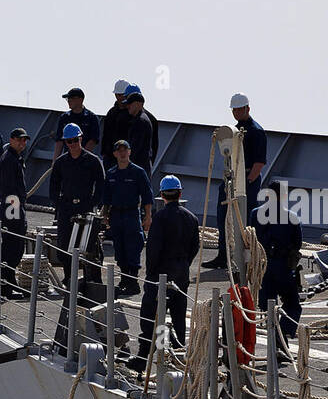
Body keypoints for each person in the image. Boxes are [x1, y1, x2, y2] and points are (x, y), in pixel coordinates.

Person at [130, 176, 200, 372]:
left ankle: (145, 358)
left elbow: (153, 250)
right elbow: (194, 247)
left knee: (151, 318)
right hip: (180, 276)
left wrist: (151, 274)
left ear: (162, 195)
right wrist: (184, 264)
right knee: (178, 319)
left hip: (159, 276)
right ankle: (176, 360)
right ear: (180, 193)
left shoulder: (160, 218)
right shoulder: (191, 218)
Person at [205, 94, 267, 271]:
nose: (237, 112)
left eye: (240, 109)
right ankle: (223, 255)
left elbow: (259, 163)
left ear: (248, 108)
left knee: (246, 219)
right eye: (234, 110)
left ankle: (247, 256)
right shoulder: (234, 130)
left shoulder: (256, 132)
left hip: (247, 180)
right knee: (223, 216)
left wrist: (246, 183)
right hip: (231, 178)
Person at [49, 124, 105, 283]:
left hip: (86, 206)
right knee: (64, 245)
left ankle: (91, 279)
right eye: (68, 142)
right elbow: (54, 186)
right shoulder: (61, 163)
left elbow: (100, 185)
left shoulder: (92, 161)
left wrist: (93, 204)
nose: (72, 144)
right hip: (66, 208)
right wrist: (58, 205)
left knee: (90, 246)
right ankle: (69, 276)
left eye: (74, 140)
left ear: (80, 139)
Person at [251, 199, 303, 363]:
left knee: (269, 309)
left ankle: (278, 347)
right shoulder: (291, 216)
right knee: (293, 304)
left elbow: (251, 237)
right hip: (283, 267)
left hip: (263, 267)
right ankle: (285, 334)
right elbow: (298, 243)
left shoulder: (255, 214)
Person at [102, 140, 154, 295]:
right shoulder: (111, 173)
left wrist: (148, 216)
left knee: (133, 246)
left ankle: (133, 281)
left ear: (129, 152)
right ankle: (124, 279)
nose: (122, 153)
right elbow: (106, 198)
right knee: (119, 247)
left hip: (131, 213)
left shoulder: (138, 172)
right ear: (115, 154)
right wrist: (105, 216)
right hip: (116, 215)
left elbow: (147, 196)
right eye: (119, 150)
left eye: (125, 150)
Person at [0, 128, 30, 296]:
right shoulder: (9, 160)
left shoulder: (15, 158)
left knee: (16, 247)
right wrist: (15, 215)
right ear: (11, 140)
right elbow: (10, 189)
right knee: (12, 245)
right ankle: (6, 286)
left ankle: (10, 282)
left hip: (16, 206)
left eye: (24, 140)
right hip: (12, 206)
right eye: (19, 140)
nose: (22, 143)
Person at [53, 88, 100, 160]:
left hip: (85, 160)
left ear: (80, 100)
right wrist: (55, 161)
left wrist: (81, 157)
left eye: (71, 98)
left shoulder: (92, 118)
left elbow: (93, 140)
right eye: (67, 99)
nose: (68, 101)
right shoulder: (64, 118)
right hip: (67, 159)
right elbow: (59, 141)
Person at [122, 85, 154, 175]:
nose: (127, 106)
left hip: (138, 167)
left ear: (138, 104)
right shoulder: (140, 119)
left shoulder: (140, 122)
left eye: (129, 103)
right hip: (141, 166)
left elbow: (135, 148)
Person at [101, 80, 131, 171]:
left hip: (125, 157)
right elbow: (106, 134)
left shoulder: (132, 114)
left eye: (122, 95)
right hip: (110, 156)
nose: (120, 98)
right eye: (118, 95)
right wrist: (104, 152)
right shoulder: (111, 113)